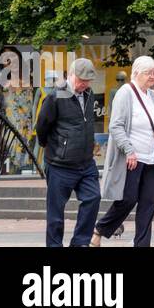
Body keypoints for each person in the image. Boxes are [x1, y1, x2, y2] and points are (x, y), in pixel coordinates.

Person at [94, 56, 154, 247]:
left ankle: (142, 245)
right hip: (132, 158)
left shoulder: (151, 95)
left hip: (151, 158)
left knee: (148, 204)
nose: (153, 77)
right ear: (137, 73)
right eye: (149, 73)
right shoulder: (126, 93)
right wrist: (129, 150)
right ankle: (100, 228)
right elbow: (116, 127)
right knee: (128, 199)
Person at [36, 58, 101, 247]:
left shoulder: (89, 94)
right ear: (71, 75)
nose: (85, 84)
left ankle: (80, 243)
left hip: (86, 163)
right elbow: (42, 126)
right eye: (82, 80)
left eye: (88, 81)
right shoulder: (56, 96)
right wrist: (52, 146)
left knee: (93, 198)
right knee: (56, 213)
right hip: (59, 164)